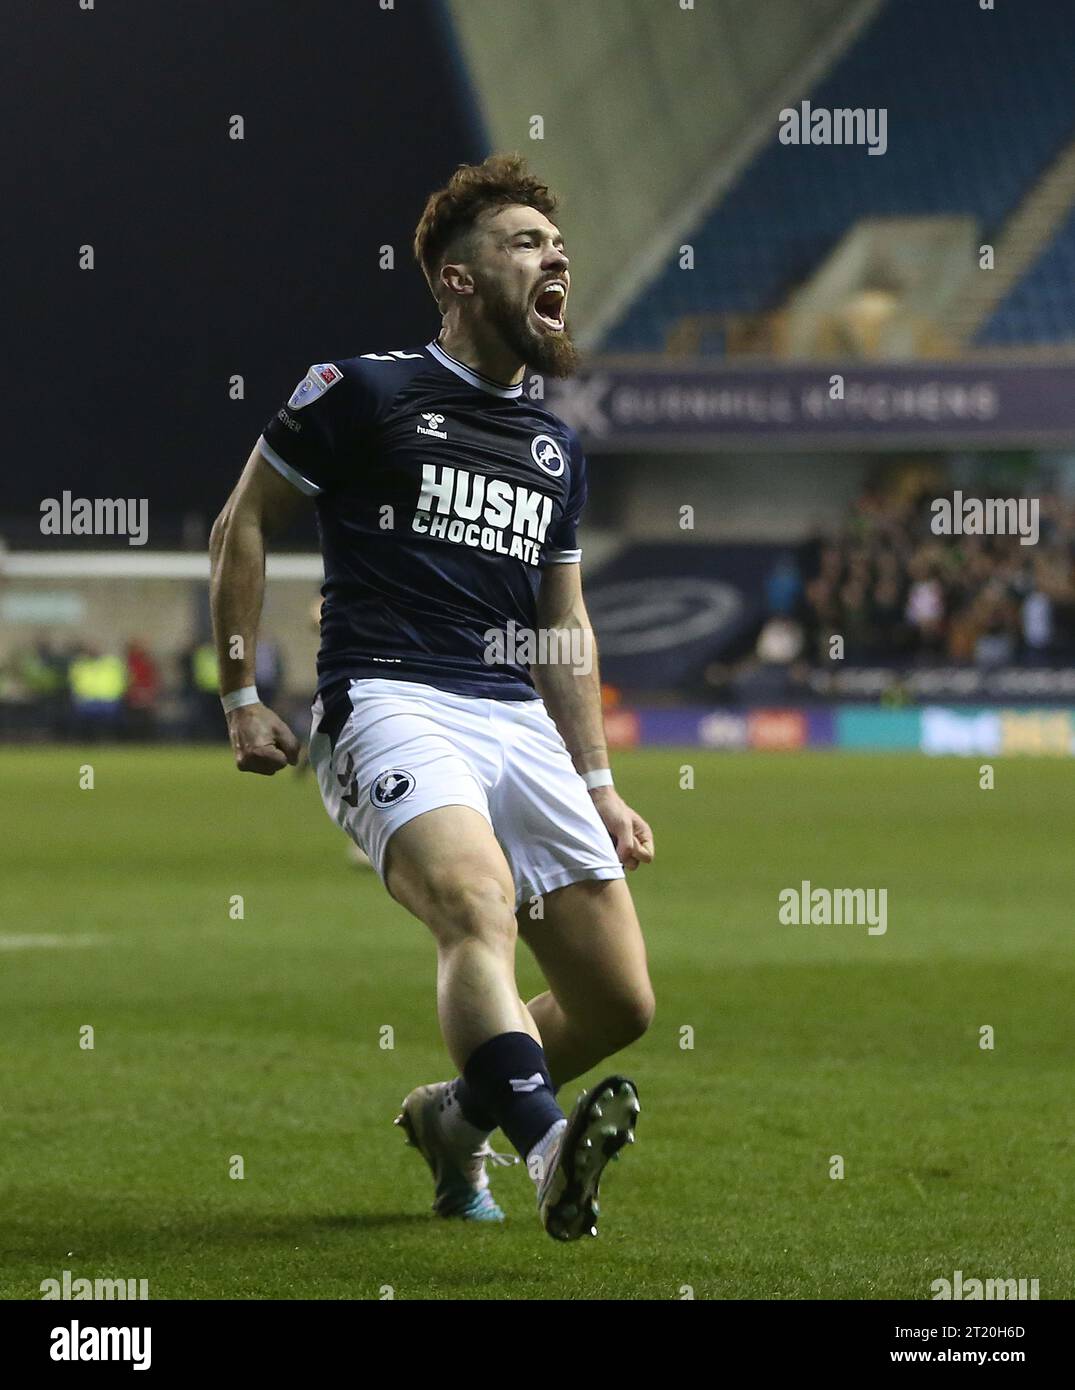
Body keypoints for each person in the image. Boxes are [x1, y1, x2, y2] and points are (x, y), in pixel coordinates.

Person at [209, 154, 655, 1241]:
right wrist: (239, 692)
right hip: (391, 696)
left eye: (556, 246)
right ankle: (549, 1149)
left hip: (514, 718)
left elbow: (563, 626)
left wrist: (596, 780)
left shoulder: (556, 446)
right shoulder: (361, 391)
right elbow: (243, 524)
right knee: (475, 907)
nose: (553, 258)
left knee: (618, 1004)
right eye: (522, 244)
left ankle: (455, 1119)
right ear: (456, 281)